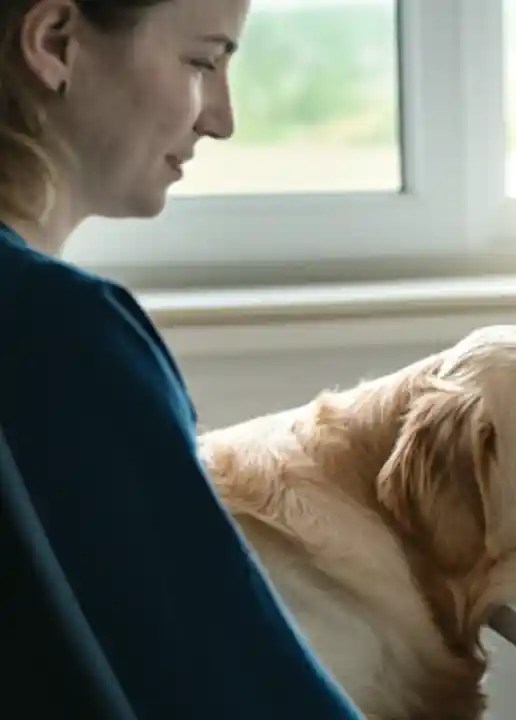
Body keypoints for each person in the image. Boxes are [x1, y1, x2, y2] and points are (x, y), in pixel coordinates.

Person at [0, 1, 363, 717]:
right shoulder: (66, 337)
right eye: (202, 62)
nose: (220, 119)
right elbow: (251, 693)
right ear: (55, 42)